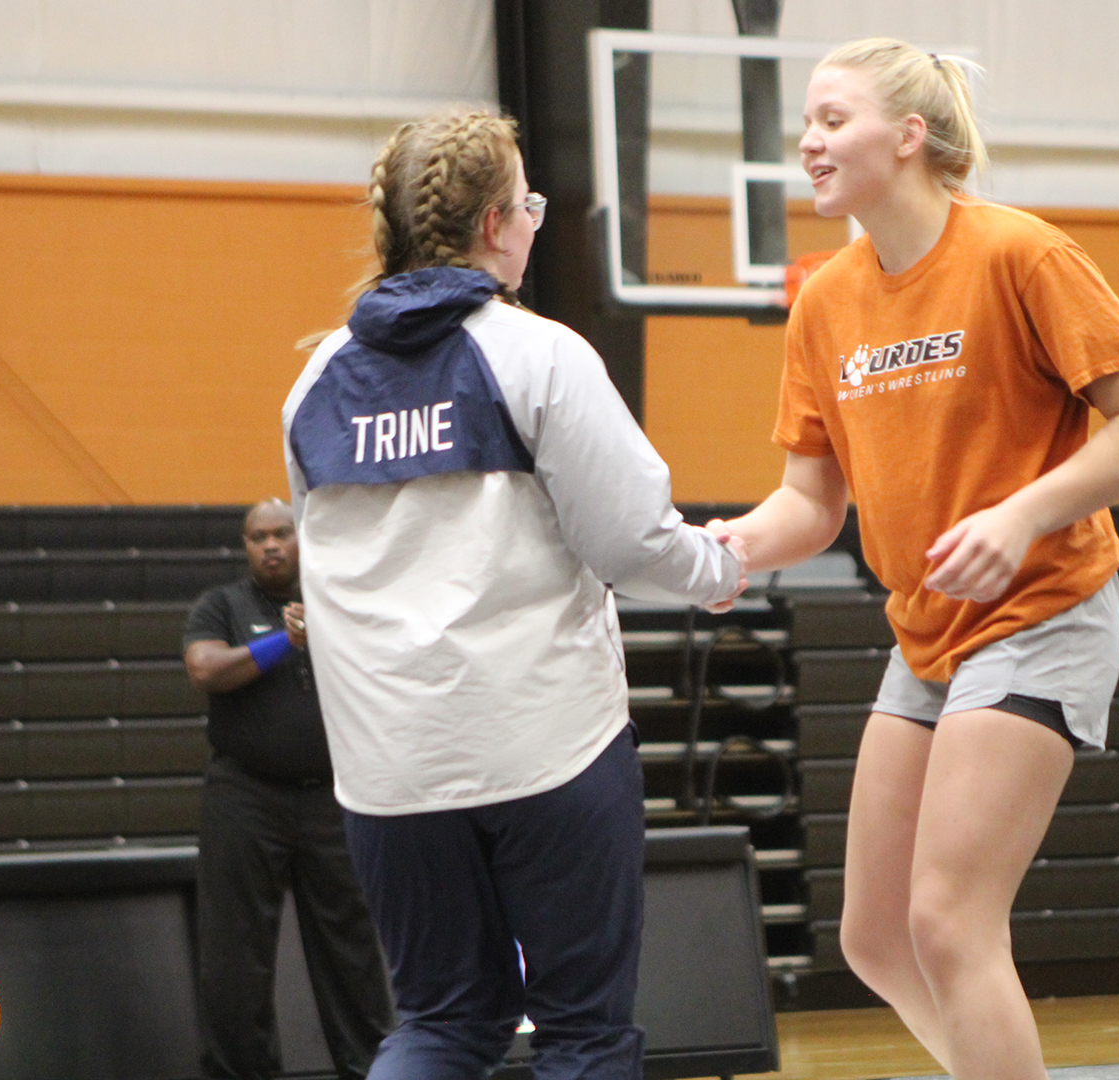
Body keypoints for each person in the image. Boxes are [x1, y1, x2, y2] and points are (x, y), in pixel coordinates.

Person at [710, 39, 1119, 1080]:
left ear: (911, 136)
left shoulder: (1022, 255)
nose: (808, 142)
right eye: (808, 122)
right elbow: (808, 502)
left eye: (834, 120)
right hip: (927, 634)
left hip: (1045, 609)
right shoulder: (825, 303)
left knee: (949, 922)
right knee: (874, 937)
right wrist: (728, 546)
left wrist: (1022, 515)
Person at [279, 106, 746, 1080]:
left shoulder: (315, 382)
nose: (533, 221)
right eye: (529, 203)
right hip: (547, 753)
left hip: (391, 768)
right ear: (496, 225)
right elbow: (632, 540)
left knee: (441, 1025)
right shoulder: (539, 355)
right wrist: (721, 569)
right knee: (583, 1033)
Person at [182, 498, 394, 1080]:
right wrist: (283, 641)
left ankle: (374, 1071)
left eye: (281, 533)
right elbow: (204, 669)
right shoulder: (221, 605)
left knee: (351, 950)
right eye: (257, 537)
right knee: (234, 955)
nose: (270, 545)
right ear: (245, 546)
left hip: (331, 795)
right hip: (245, 795)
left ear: (302, 539)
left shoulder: (341, 600)